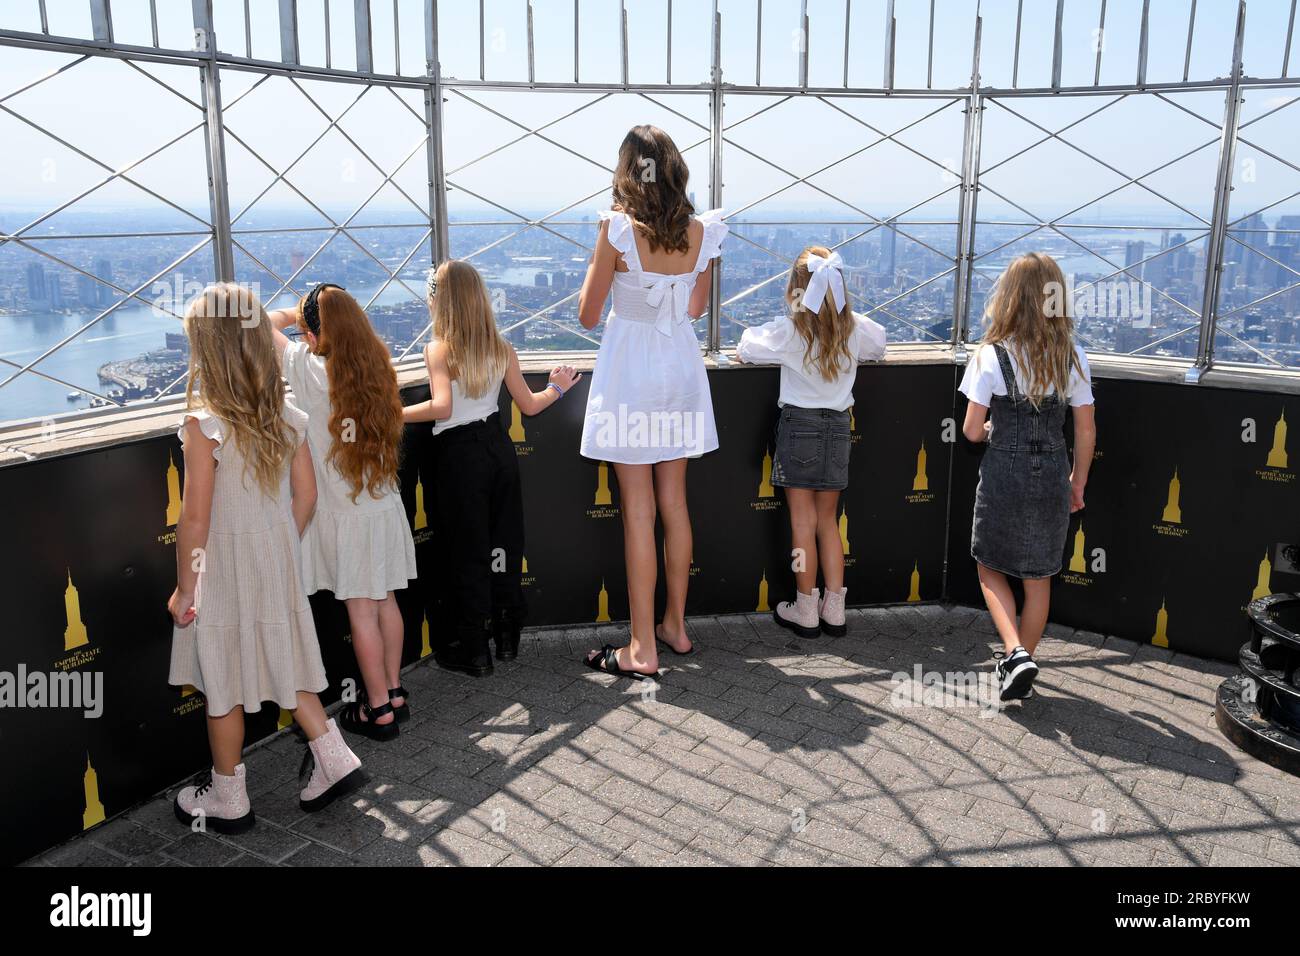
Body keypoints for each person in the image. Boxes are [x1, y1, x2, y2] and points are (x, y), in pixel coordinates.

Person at [167, 283, 364, 832]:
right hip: (275, 560)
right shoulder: (285, 409)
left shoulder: (204, 424)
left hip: (220, 571)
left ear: (208, 348)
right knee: (288, 662)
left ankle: (229, 797)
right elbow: (307, 496)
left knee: (222, 682)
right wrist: (277, 542)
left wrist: (187, 587)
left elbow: (195, 519)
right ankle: (333, 756)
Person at [576, 124, 728, 681]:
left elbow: (588, 316)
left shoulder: (617, 230)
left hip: (631, 376)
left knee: (638, 512)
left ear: (627, 170)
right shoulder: (701, 232)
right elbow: (693, 309)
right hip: (680, 371)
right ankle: (675, 626)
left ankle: (642, 648)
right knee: (675, 505)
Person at [404, 261, 579, 676]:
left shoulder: (438, 349)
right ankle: (506, 638)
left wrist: (392, 411)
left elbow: (442, 407)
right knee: (503, 546)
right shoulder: (500, 346)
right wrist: (558, 387)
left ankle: (474, 650)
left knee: (466, 552)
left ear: (439, 301)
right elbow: (530, 405)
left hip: (458, 457)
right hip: (498, 450)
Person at [266, 285, 418, 740]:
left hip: (346, 515)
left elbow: (261, 323)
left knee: (360, 611)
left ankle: (377, 710)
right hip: (384, 505)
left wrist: (297, 317)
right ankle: (393, 692)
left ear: (316, 332)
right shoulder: (376, 366)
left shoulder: (311, 369)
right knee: (386, 600)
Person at [959, 252, 1097, 702]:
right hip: (1054, 469)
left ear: (1009, 297)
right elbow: (1085, 429)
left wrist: (998, 428)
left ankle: (1015, 653)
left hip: (1005, 470)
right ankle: (1020, 663)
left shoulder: (990, 355)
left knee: (988, 566)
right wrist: (1076, 481)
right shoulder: (1072, 355)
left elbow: (971, 430)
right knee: (1039, 579)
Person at [737, 246, 886, 638]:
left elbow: (746, 347)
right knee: (828, 524)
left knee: (801, 524)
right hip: (839, 428)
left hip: (799, 426)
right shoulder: (854, 328)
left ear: (796, 288)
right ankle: (834, 608)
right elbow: (880, 344)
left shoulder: (790, 331)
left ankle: (805, 607)